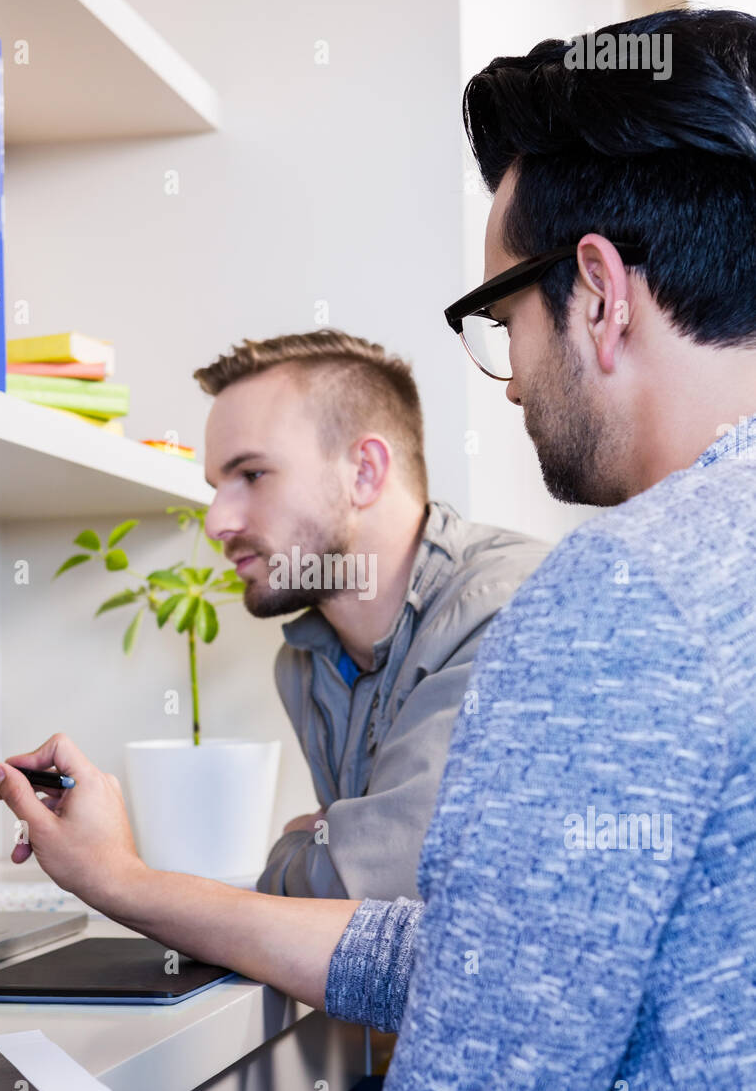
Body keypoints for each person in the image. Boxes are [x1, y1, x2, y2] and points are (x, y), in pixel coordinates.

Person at [0, 6, 756, 1091]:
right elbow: (478, 959)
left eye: (503, 317)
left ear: (596, 291)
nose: (507, 377)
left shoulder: (616, 598)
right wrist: (127, 882)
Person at [194, 329, 549, 899]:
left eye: (252, 475)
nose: (217, 522)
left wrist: (303, 852)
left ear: (364, 472)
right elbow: (356, 915)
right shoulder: (303, 664)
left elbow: (383, 894)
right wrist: (329, 851)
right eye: (216, 486)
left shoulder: (510, 611)